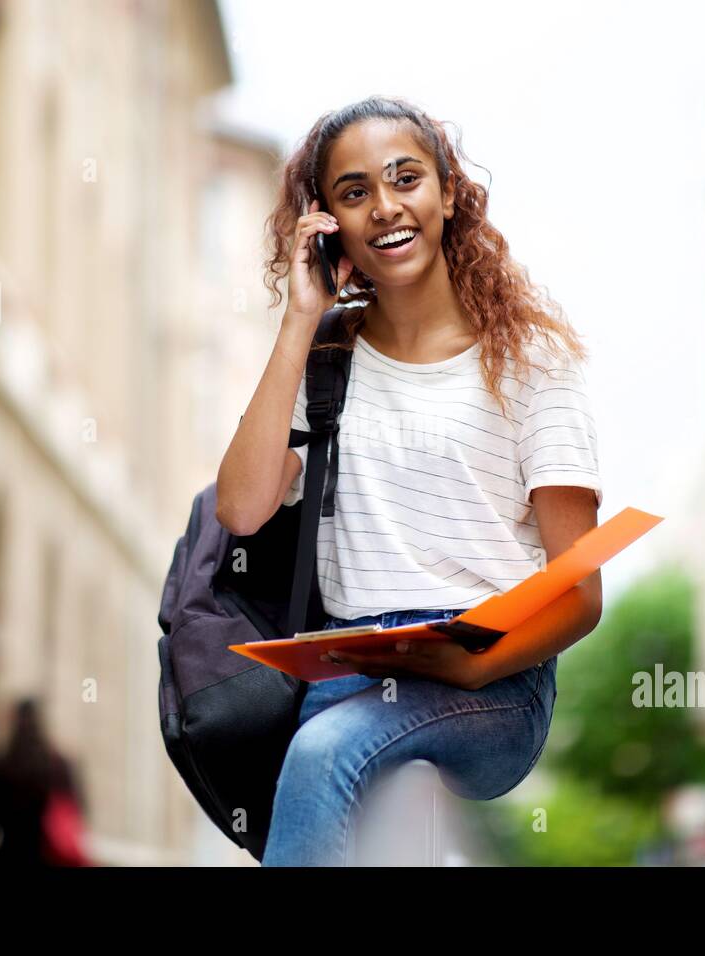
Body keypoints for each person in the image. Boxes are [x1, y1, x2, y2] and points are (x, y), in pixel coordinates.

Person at [216, 96, 603, 866]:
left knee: (326, 752)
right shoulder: (324, 360)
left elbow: (581, 595)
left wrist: (476, 661)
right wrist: (300, 317)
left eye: (406, 179)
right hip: (351, 665)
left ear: (448, 192)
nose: (386, 207)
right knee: (318, 756)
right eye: (355, 192)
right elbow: (243, 506)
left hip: (495, 678)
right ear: (327, 220)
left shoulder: (532, 363)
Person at [0, 698, 89, 866]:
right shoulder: (58, 766)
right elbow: (77, 811)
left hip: (11, 858)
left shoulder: (5, 766)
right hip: (49, 859)